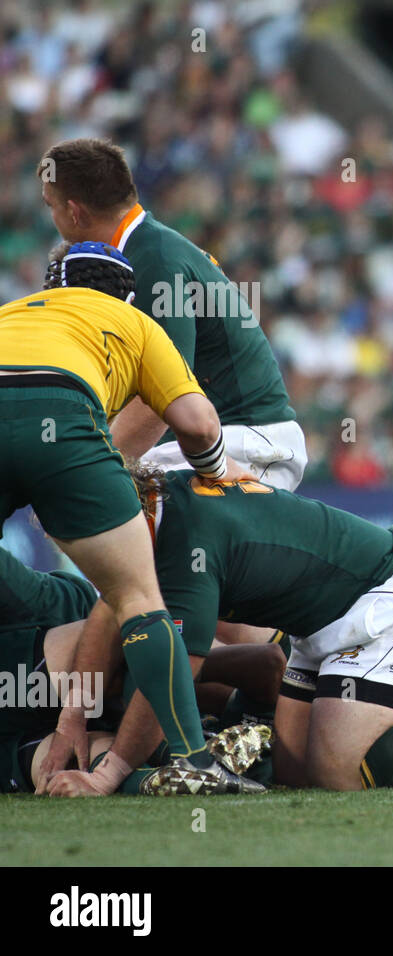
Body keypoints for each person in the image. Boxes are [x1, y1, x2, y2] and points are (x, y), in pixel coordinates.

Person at [45, 460, 393, 795]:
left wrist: (107, 774)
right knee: (296, 769)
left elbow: (170, 680)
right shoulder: (162, 506)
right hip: (326, 619)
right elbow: (111, 610)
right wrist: (73, 718)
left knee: (339, 772)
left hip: (386, 600)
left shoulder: (183, 546)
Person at [0, 241, 263, 796]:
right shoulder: (135, 323)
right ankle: (194, 757)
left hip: (46, 638)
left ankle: (228, 702)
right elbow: (197, 423)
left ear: (52, 289)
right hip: (65, 414)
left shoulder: (13, 314)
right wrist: (219, 477)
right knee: (138, 597)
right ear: (127, 295)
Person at [38, 137, 304, 490]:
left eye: (51, 205)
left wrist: (80, 476)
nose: (52, 217)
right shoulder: (147, 247)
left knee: (91, 507)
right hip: (216, 439)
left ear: (75, 212)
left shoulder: (152, 260)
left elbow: (161, 398)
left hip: (245, 441)